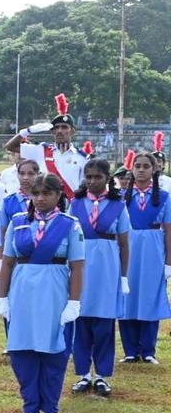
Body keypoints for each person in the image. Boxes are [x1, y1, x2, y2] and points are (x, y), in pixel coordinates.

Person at [0, 173, 85, 413]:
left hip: (54, 291)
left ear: (58, 195)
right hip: (22, 292)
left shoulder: (70, 224)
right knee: (22, 350)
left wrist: (74, 302)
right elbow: (8, 262)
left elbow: (78, 266)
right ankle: (30, 408)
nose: (40, 198)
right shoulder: (18, 223)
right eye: (36, 193)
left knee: (52, 351)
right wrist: (3, 297)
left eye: (47, 193)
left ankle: (49, 410)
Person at [69, 158, 130, 394]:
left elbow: (124, 244)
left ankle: (102, 374)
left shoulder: (118, 205)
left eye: (98, 177)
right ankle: (83, 373)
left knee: (104, 323)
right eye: (89, 177)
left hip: (106, 267)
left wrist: (123, 277)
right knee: (81, 321)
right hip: (81, 265)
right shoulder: (75, 204)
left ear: (107, 179)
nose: (92, 181)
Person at [118, 152, 171, 363]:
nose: (141, 169)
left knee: (150, 296)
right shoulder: (121, 197)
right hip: (129, 246)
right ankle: (130, 349)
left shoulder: (165, 197)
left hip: (152, 247)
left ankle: (148, 350)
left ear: (154, 169)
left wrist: (168, 262)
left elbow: (169, 230)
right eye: (137, 166)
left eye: (145, 166)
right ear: (131, 169)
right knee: (127, 296)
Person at [5, 93, 87, 201]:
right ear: (52, 132)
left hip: (71, 204)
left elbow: (84, 185)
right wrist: (27, 131)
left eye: (64, 127)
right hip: (45, 203)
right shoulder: (41, 150)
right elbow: (10, 146)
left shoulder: (82, 157)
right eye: (56, 128)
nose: (60, 131)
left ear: (72, 131)